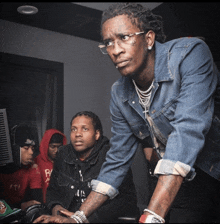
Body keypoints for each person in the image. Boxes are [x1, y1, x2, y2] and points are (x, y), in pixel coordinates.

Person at [35, 3, 220, 223]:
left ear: (149, 39)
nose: (115, 50)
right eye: (108, 42)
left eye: (124, 37)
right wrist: (78, 218)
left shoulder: (190, 54)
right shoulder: (119, 92)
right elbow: (117, 159)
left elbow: (187, 132)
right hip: (169, 177)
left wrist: (152, 215)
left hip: (209, 170)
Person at [34, 111, 139, 223]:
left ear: (97, 134)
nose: (77, 134)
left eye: (84, 129)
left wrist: (83, 219)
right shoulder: (63, 154)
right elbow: (53, 191)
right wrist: (56, 208)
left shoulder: (111, 156)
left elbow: (126, 201)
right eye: (74, 129)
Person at [0, 124, 43, 211]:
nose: (31, 152)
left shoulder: (33, 169)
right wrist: (20, 205)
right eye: (26, 148)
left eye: (32, 148)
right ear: (14, 149)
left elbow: (36, 202)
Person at [35, 129, 67, 203]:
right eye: (53, 147)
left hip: (60, 204)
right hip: (42, 203)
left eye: (59, 147)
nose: (56, 150)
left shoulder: (65, 161)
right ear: (46, 146)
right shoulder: (36, 162)